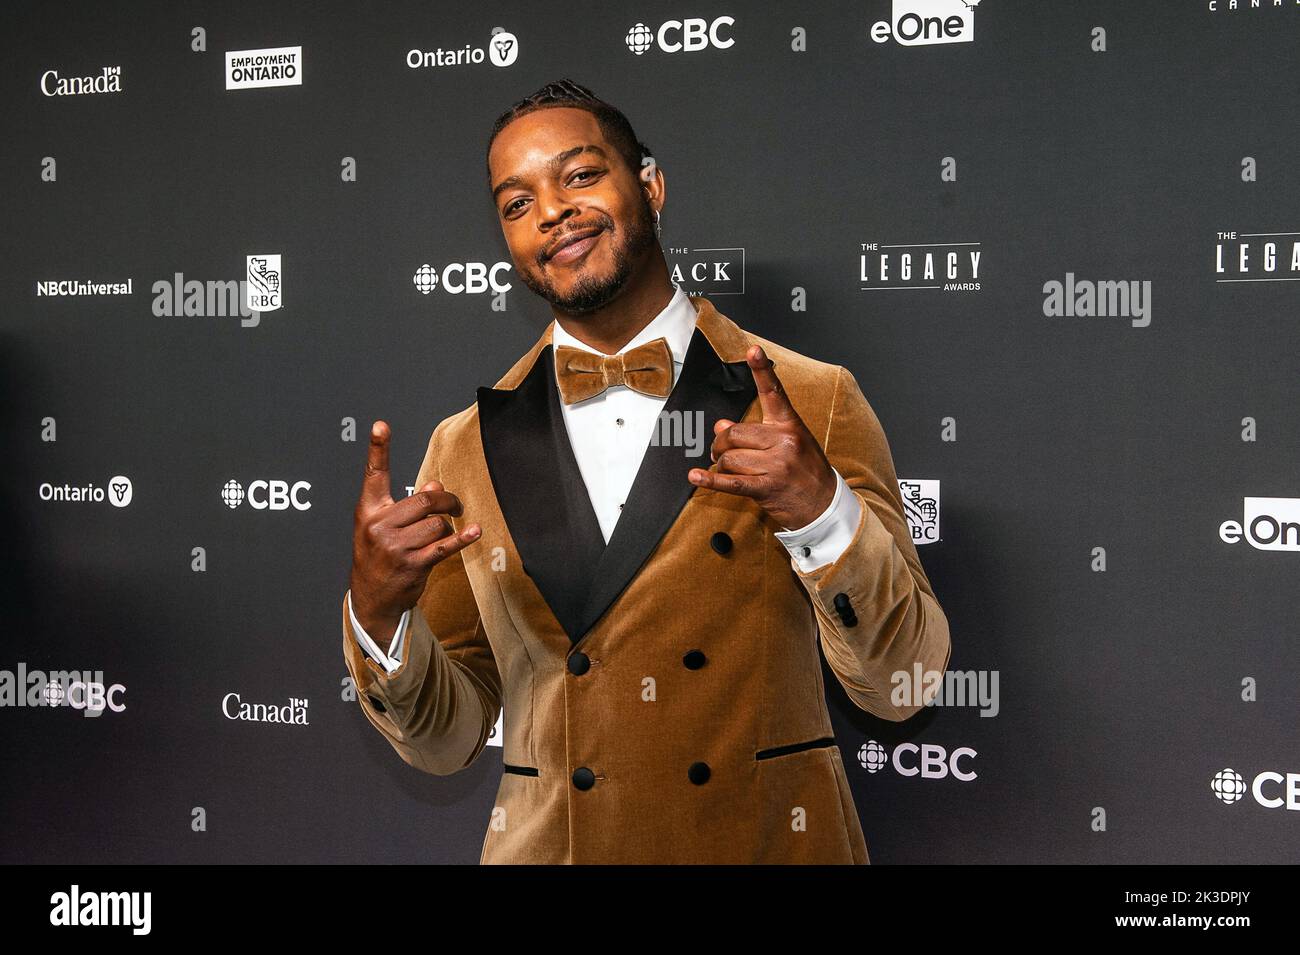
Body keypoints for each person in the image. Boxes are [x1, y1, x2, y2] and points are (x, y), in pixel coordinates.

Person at [341, 78, 951, 864]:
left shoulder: (811, 399)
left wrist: (823, 513)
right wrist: (380, 617)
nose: (551, 211)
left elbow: (903, 682)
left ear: (652, 184)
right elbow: (446, 738)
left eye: (581, 175)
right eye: (516, 203)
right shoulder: (464, 445)